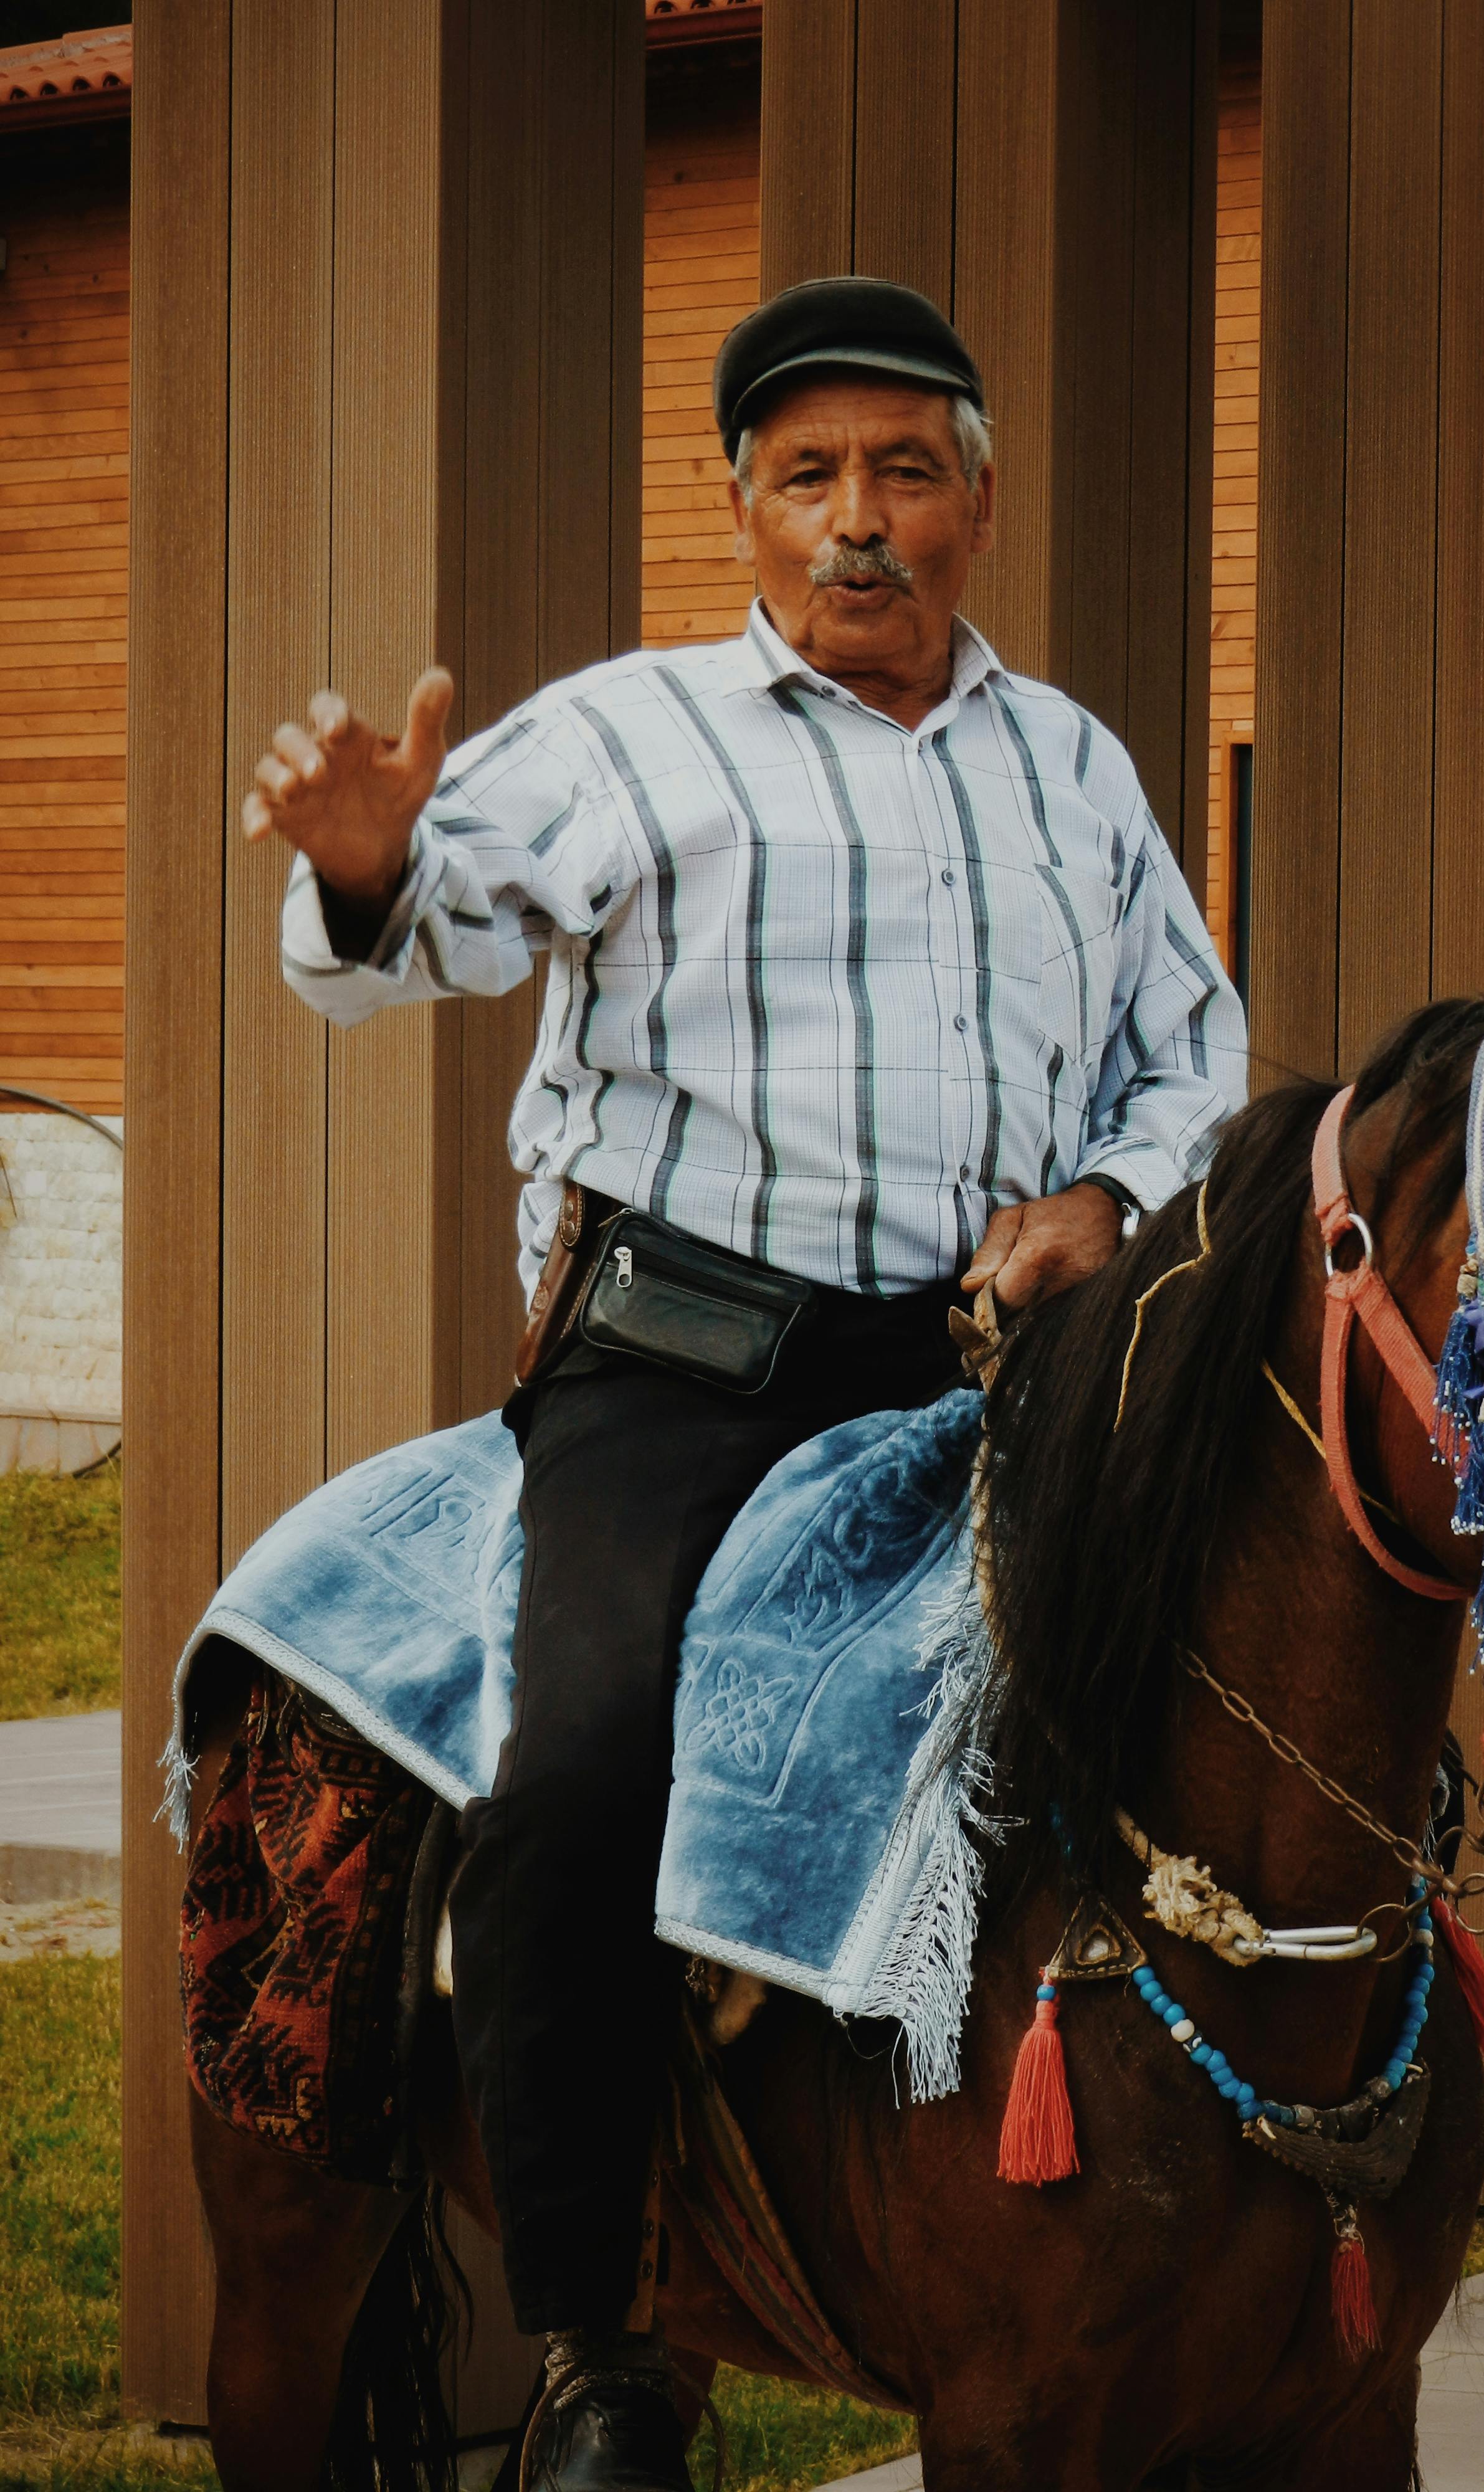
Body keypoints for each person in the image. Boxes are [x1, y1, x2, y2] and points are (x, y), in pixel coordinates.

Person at [245, 277, 1247, 2491]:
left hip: (995, 1371)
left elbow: (1198, 1051)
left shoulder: (1072, 762)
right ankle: (605, 2342)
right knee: (581, 1764)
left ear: (982, 498)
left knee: (1232, 1714)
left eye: (905, 467)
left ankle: (1204, 2208)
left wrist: (1101, 1190)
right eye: (809, 477)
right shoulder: (633, 732)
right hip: (678, 1370)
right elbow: (447, 913)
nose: (858, 519)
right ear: (743, 511)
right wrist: (371, 865)